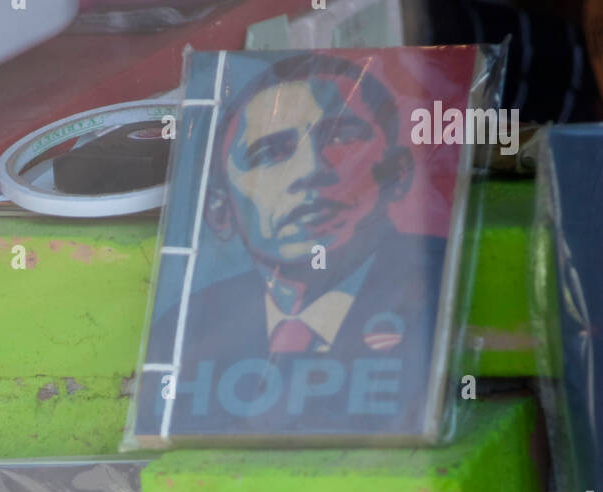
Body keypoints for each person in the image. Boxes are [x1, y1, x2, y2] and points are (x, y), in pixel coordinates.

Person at [150, 52, 448, 437]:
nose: (311, 171)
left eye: (341, 137)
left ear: (399, 173)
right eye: (270, 152)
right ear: (220, 212)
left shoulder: (440, 289)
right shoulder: (186, 331)